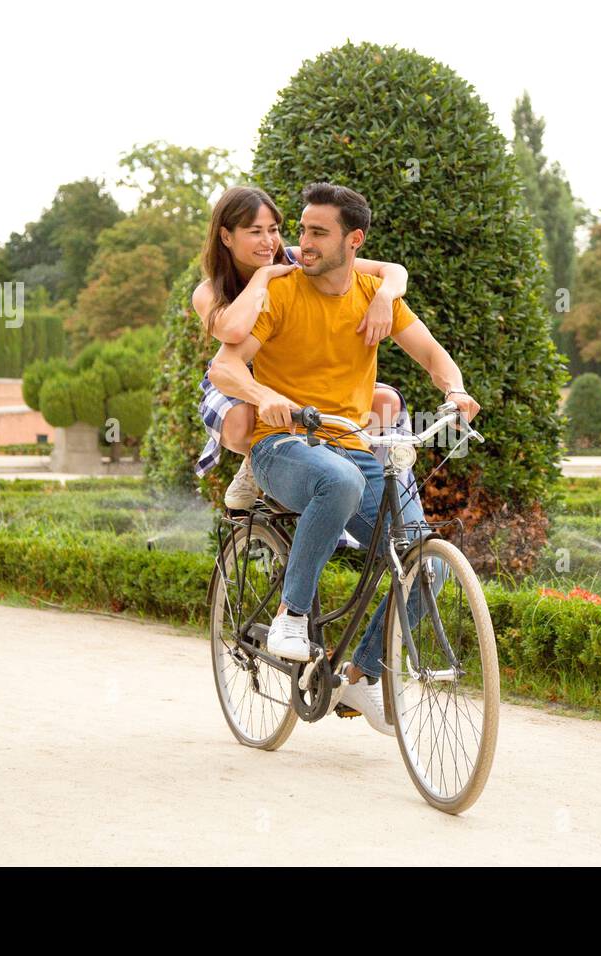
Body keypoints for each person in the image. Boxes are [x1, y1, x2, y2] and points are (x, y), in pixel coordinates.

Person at [208, 181, 479, 735]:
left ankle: (361, 674)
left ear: (352, 241)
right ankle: (292, 613)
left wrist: (455, 392)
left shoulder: (374, 297)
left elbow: (432, 355)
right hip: (282, 445)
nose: (298, 244)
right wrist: (267, 397)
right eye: (300, 230)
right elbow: (223, 368)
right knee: (337, 480)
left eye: (314, 233)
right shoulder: (278, 294)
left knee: (426, 562)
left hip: (355, 445)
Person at [191, 186, 410, 509]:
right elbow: (234, 330)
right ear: (226, 236)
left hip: (298, 370)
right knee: (239, 422)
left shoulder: (295, 258)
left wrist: (383, 297)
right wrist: (264, 277)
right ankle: (256, 460)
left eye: (273, 230)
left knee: (386, 402)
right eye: (255, 232)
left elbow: (394, 271)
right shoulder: (209, 291)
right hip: (240, 376)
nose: (268, 242)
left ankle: (352, 474)